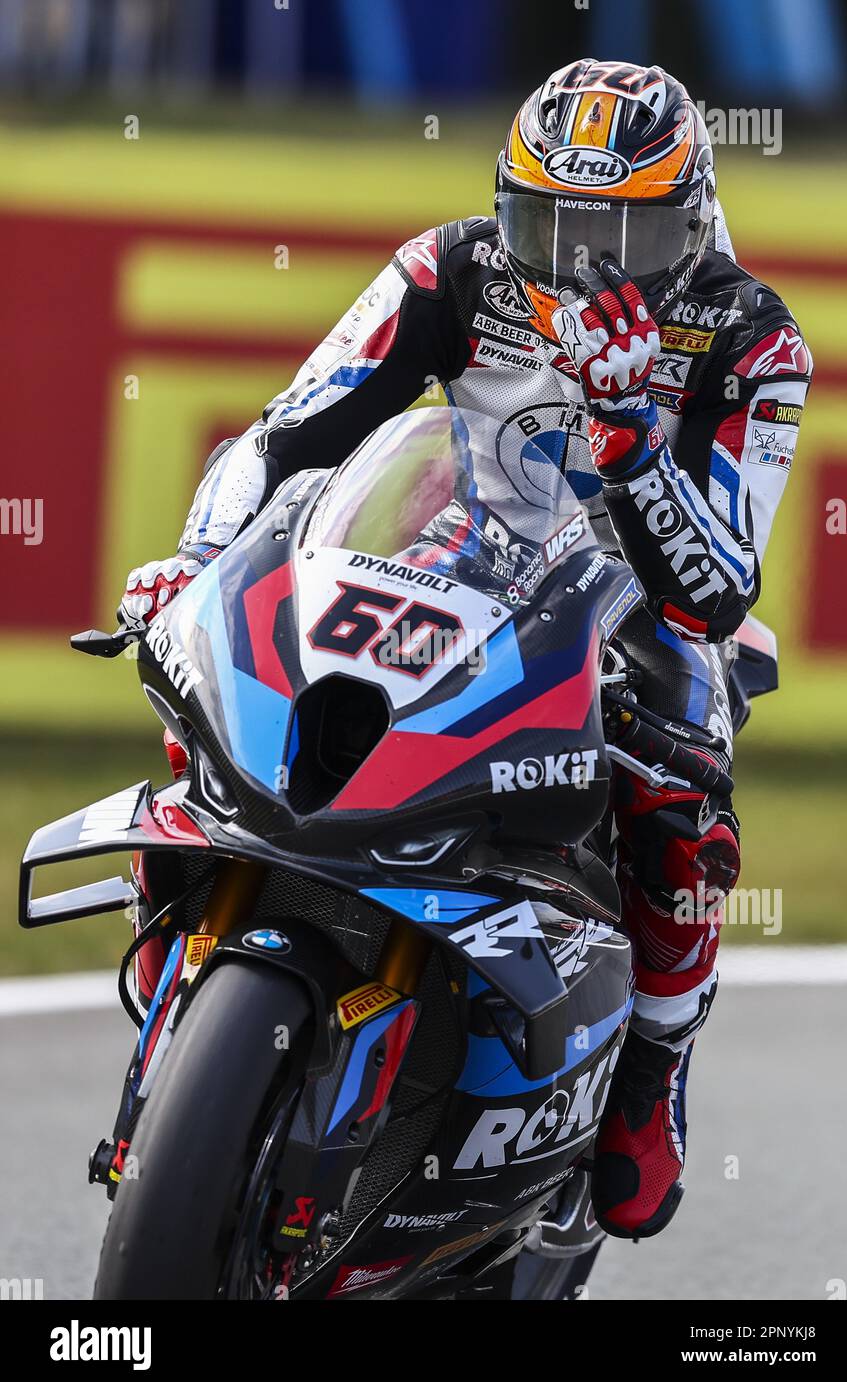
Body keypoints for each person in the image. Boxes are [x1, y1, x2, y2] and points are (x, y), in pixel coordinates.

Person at [119, 60, 811, 1240]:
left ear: (688, 222)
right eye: (551, 222)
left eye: (623, 234)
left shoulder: (752, 339)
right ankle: (181, 946)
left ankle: (648, 1079)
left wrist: (631, 437)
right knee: (219, 658)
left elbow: (712, 590)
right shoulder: (450, 266)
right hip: (459, 548)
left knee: (683, 790)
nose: (579, 262)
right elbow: (284, 435)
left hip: (625, 601)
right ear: (505, 205)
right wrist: (199, 553)